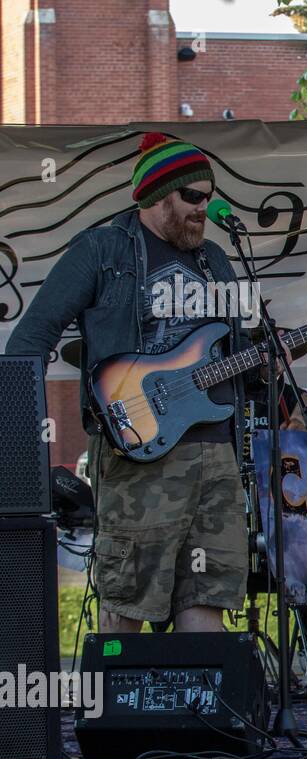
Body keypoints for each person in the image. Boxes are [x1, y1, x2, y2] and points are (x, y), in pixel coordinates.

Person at [5, 133, 263, 634]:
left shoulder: (216, 260)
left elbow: (234, 355)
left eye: (208, 198)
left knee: (208, 593)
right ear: (157, 195)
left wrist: (265, 361)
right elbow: (30, 340)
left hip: (215, 453)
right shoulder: (101, 250)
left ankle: (197, 709)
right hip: (138, 454)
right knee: (128, 599)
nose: (203, 208)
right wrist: (19, 439)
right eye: (193, 197)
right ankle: (114, 709)